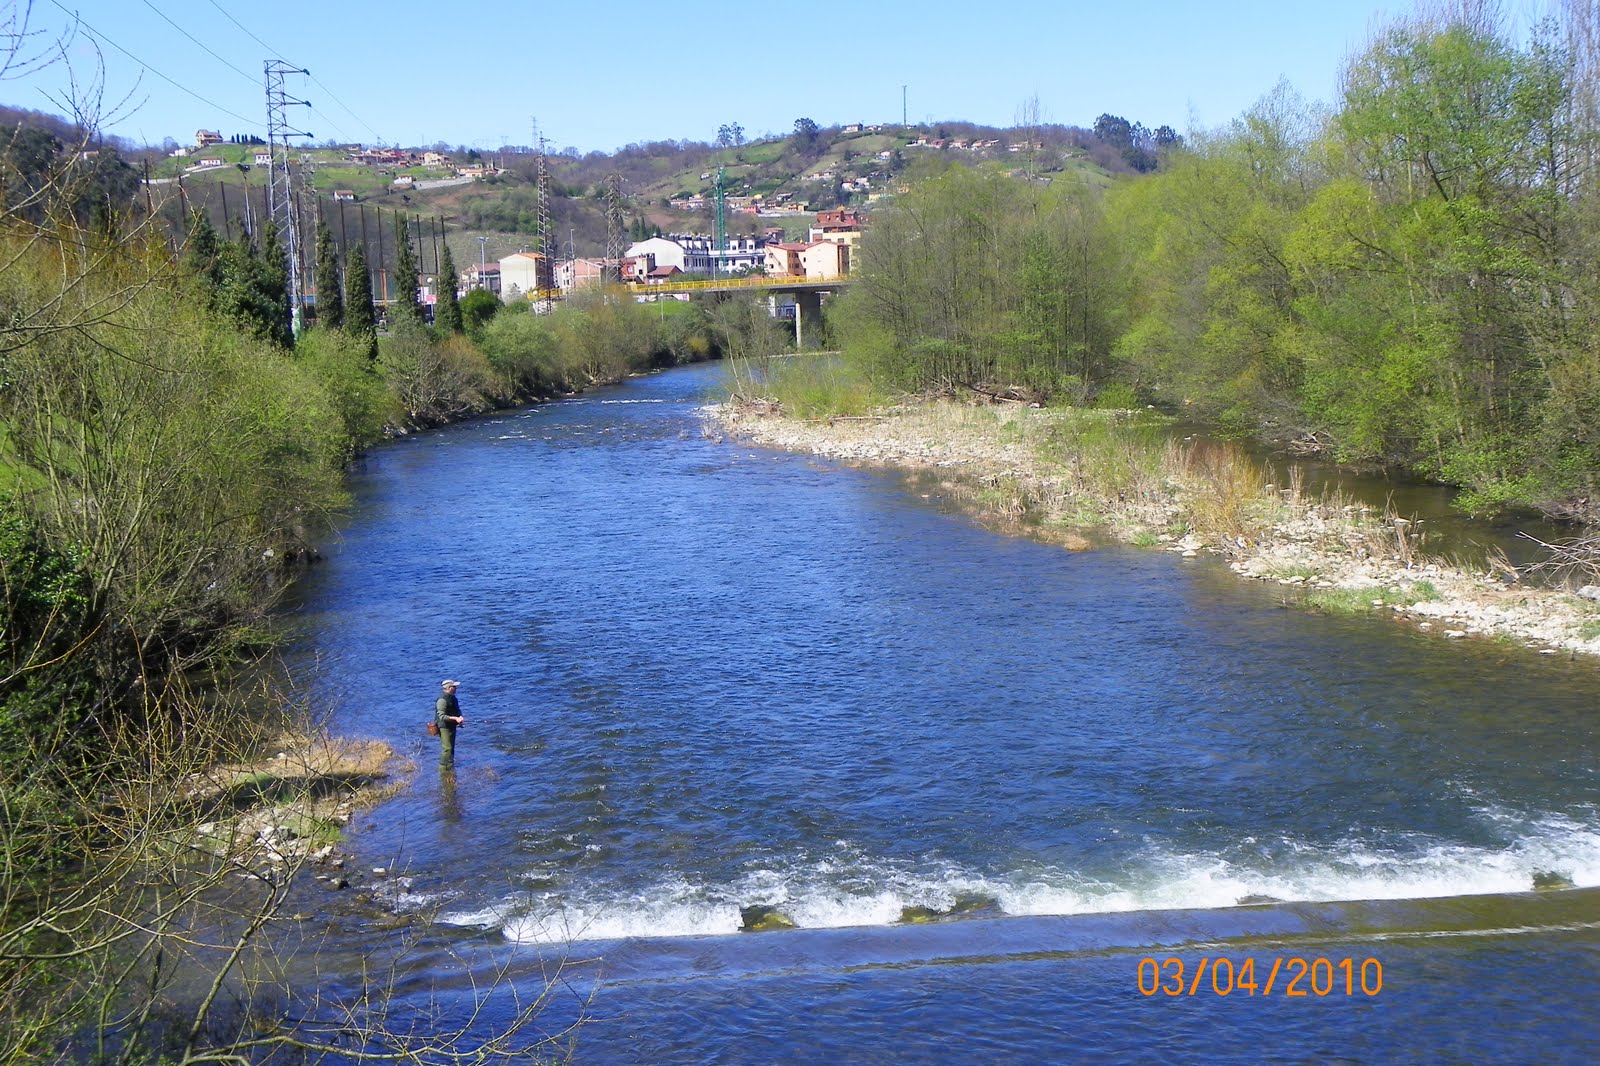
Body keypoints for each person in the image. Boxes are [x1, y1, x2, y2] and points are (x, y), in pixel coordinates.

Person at [435, 679, 465, 763]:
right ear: (449, 688)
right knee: (447, 748)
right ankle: (443, 768)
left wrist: (460, 717)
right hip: (444, 727)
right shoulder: (442, 700)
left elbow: (457, 710)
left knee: (452, 748)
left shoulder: (453, 698)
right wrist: (455, 718)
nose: (456, 688)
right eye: (454, 687)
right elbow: (442, 716)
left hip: (452, 725)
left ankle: (450, 766)